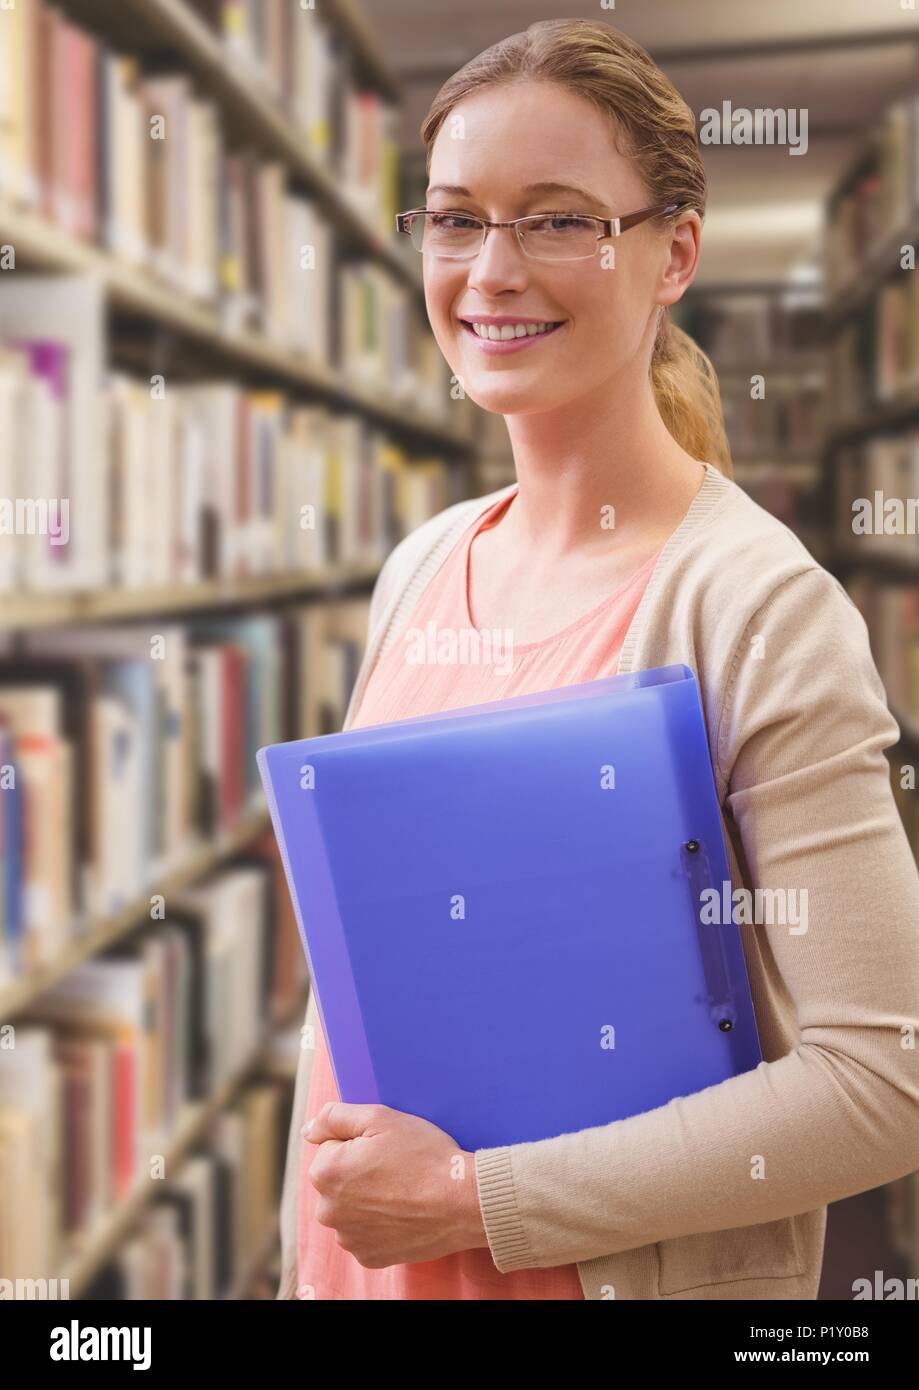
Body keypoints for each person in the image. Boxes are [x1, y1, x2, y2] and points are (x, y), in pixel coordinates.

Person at [277, 18, 919, 1301]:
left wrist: (471, 1198)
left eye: (559, 220)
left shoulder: (754, 607)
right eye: (455, 219)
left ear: (673, 250)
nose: (489, 271)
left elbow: (881, 1079)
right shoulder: (423, 564)